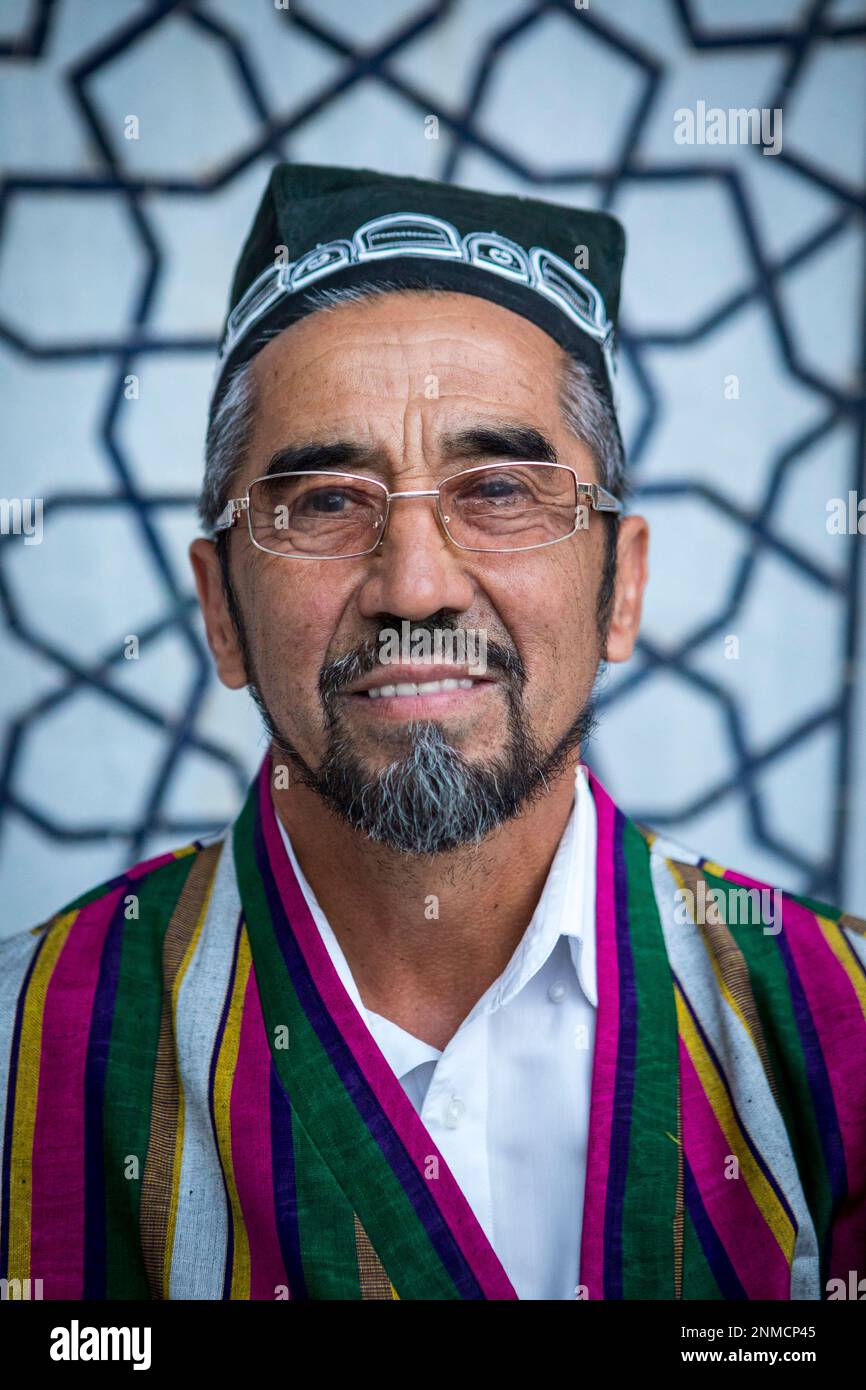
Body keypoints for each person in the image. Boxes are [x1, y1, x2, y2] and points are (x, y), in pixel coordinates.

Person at [1, 164, 863, 1302]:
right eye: (322, 503)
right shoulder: (28, 1044)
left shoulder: (836, 1033)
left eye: (499, 490)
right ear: (220, 611)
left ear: (621, 587)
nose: (414, 586)